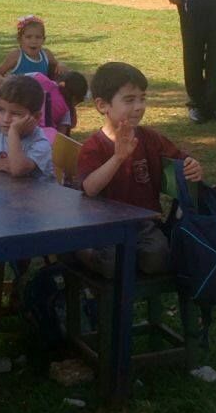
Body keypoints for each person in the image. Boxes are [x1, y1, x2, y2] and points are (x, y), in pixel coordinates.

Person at [75, 62, 202, 278]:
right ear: (102, 105)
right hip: (105, 225)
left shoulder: (150, 139)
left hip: (144, 223)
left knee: (160, 259)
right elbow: (90, 188)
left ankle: (130, 260)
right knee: (112, 265)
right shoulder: (94, 146)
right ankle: (80, 251)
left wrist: (192, 166)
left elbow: (181, 160)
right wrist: (117, 158)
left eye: (142, 98)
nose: (138, 106)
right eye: (129, 100)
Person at [0, 15, 67, 85]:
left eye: (38, 37)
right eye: (28, 37)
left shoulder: (46, 54)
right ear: (20, 39)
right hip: (20, 95)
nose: (33, 41)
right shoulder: (16, 56)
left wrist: (60, 64)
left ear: (43, 40)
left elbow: (57, 64)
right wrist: (5, 82)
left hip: (40, 95)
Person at [26, 70, 88, 142]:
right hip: (43, 140)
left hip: (19, 126)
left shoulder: (41, 79)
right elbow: (61, 137)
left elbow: (16, 80)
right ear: (75, 99)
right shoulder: (66, 110)